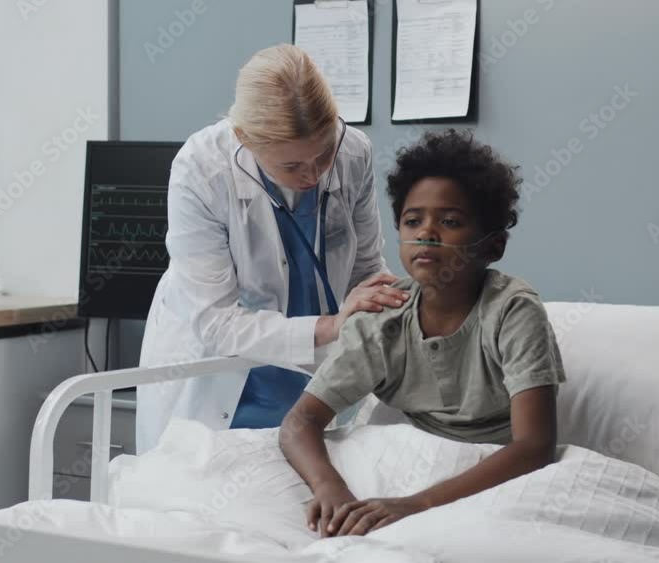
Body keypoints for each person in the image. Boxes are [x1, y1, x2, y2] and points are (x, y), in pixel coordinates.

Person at [279, 129, 566, 537]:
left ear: (493, 246)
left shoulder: (512, 311)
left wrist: (420, 504)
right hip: (411, 465)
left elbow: (534, 446)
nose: (426, 233)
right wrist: (330, 488)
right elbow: (299, 423)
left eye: (450, 221)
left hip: (493, 475)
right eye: (413, 220)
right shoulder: (383, 316)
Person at [136, 44, 409, 453]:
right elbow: (216, 323)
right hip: (223, 378)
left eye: (323, 155)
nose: (314, 174)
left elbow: (365, 266)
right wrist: (332, 326)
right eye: (292, 166)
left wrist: (386, 303)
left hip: (312, 373)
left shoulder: (354, 152)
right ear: (245, 138)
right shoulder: (201, 169)